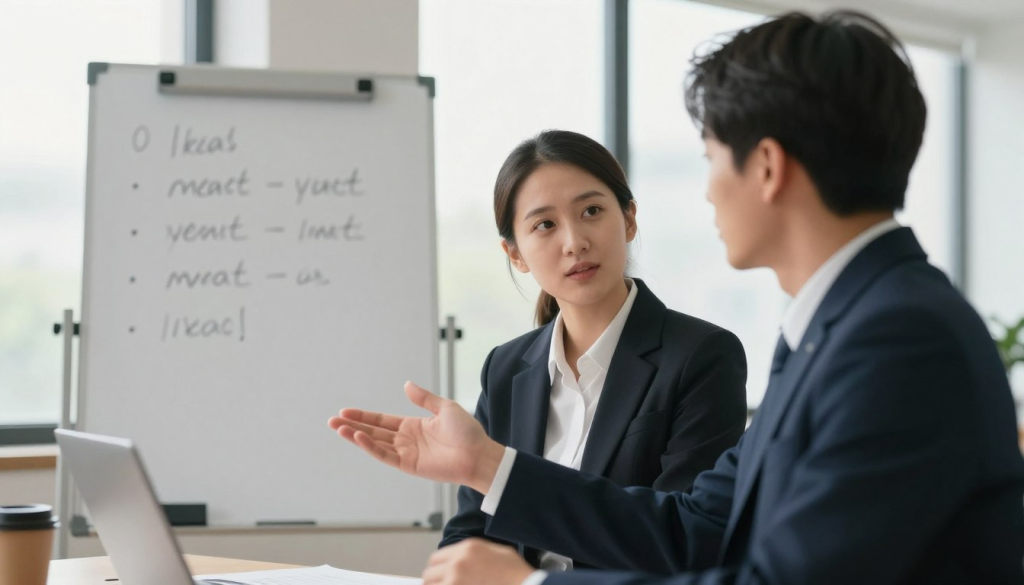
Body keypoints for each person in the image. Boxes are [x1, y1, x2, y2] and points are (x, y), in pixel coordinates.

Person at [329, 10, 1024, 585]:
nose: (707, 188)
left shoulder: (897, 339)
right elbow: (696, 529)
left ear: (768, 167)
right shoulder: (835, 328)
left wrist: (531, 583)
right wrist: (483, 463)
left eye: (711, 156)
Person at [440, 130, 748, 572]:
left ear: (628, 219)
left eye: (591, 211)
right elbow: (470, 531)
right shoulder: (505, 369)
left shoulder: (702, 356)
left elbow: (684, 542)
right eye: (544, 225)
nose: (574, 242)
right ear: (515, 254)